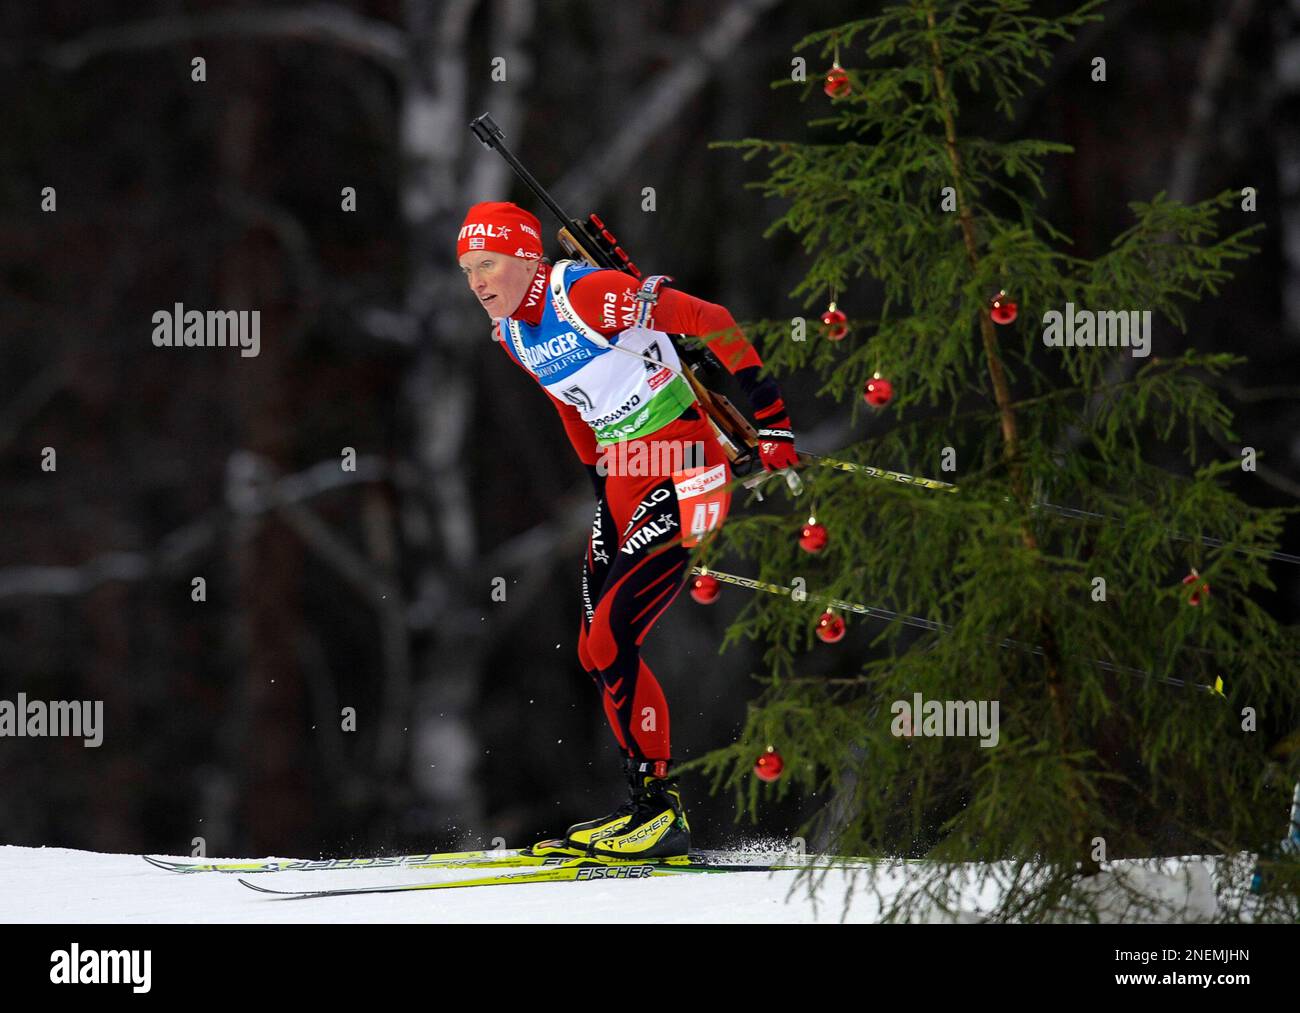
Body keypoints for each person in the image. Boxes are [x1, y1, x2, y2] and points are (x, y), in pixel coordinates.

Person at [457, 200, 798, 858]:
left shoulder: (587, 294)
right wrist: (598, 487)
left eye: (488, 264)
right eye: (468, 269)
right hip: (623, 479)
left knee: (613, 633)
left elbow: (710, 320)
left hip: (685, 464)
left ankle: (664, 817)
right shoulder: (511, 334)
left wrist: (773, 414)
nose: (476, 282)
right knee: (595, 648)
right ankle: (645, 804)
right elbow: (570, 405)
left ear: (528, 256)